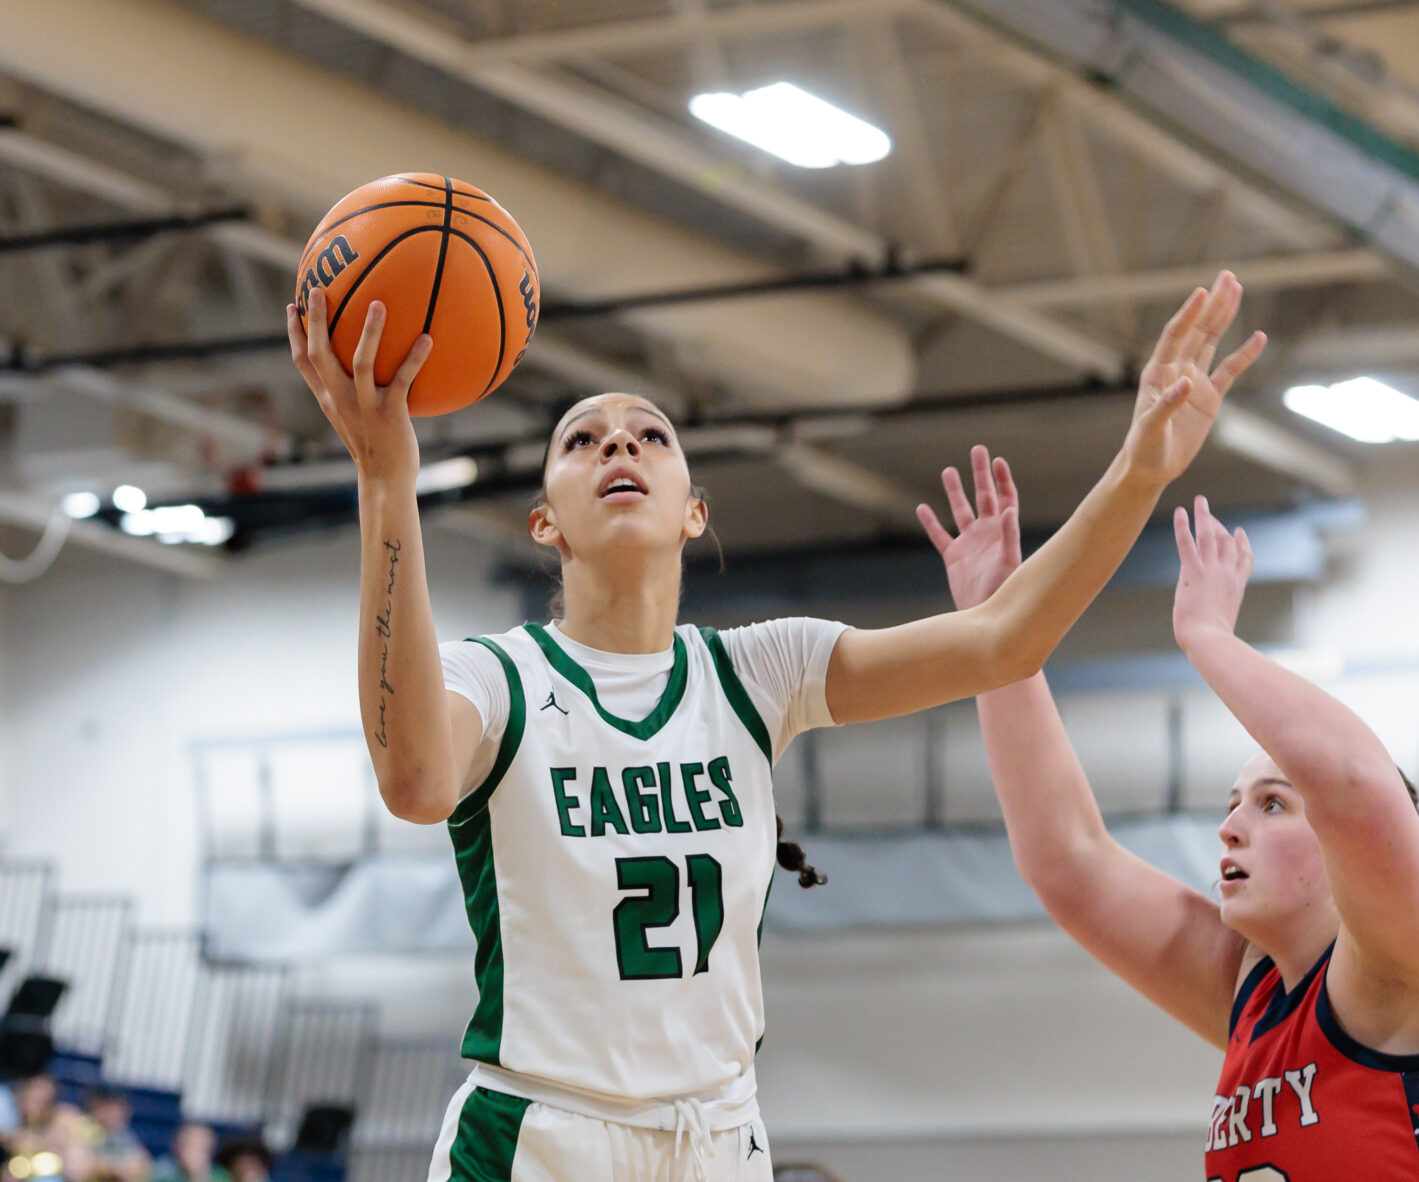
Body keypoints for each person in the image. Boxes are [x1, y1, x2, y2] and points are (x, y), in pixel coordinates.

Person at [285, 272, 1265, 1182]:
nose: (619, 447)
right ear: (545, 522)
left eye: (650, 436)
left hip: (720, 1138)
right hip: (541, 1136)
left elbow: (1004, 641)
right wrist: (386, 482)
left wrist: (1139, 470)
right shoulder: (495, 677)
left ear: (693, 512)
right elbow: (415, 784)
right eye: (582, 442)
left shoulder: (757, 671)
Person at [918, 454, 1419, 1181]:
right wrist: (997, 638)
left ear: (1343, 847)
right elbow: (1068, 859)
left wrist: (1210, 637)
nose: (1231, 827)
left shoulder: (1404, 963)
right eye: (1234, 804)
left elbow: (1355, 782)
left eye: (1273, 803)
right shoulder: (1259, 992)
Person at [84, 1088, 151, 1182]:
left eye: (116, 1107)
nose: (112, 1113)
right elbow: (83, 1165)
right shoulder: (85, 1127)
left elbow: (141, 1163)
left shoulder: (124, 1133)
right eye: (107, 1107)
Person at [149, 1123, 227, 1182]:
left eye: (201, 1148)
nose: (194, 1154)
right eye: (189, 1146)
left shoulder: (220, 1176)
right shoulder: (163, 1171)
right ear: (177, 1148)